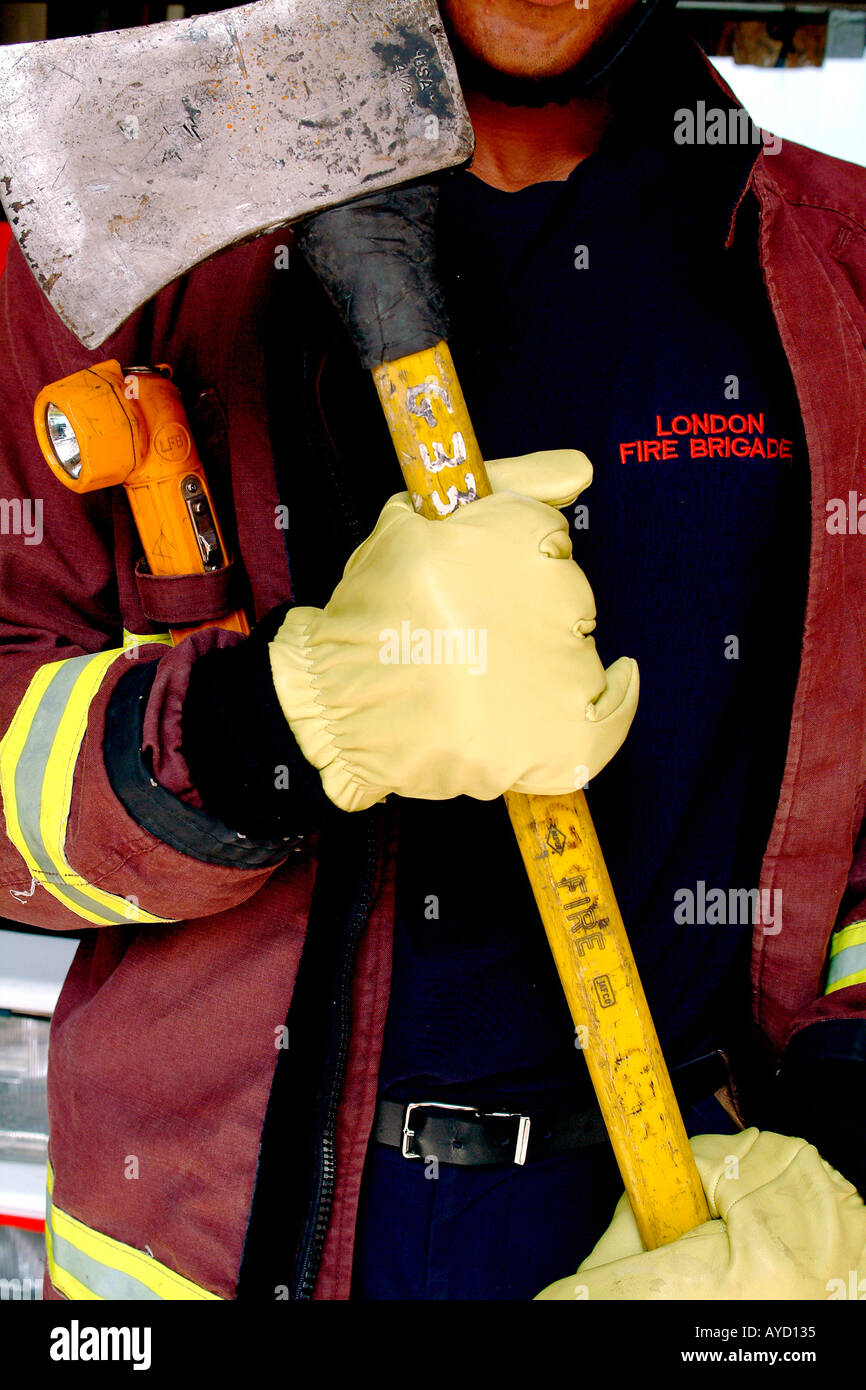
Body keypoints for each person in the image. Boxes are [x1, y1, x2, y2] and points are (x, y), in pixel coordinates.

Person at [0, 0, 864, 1302]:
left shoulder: (837, 279)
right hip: (226, 1255)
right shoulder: (149, 284)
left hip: (682, 1227)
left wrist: (841, 1172)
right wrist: (289, 725)